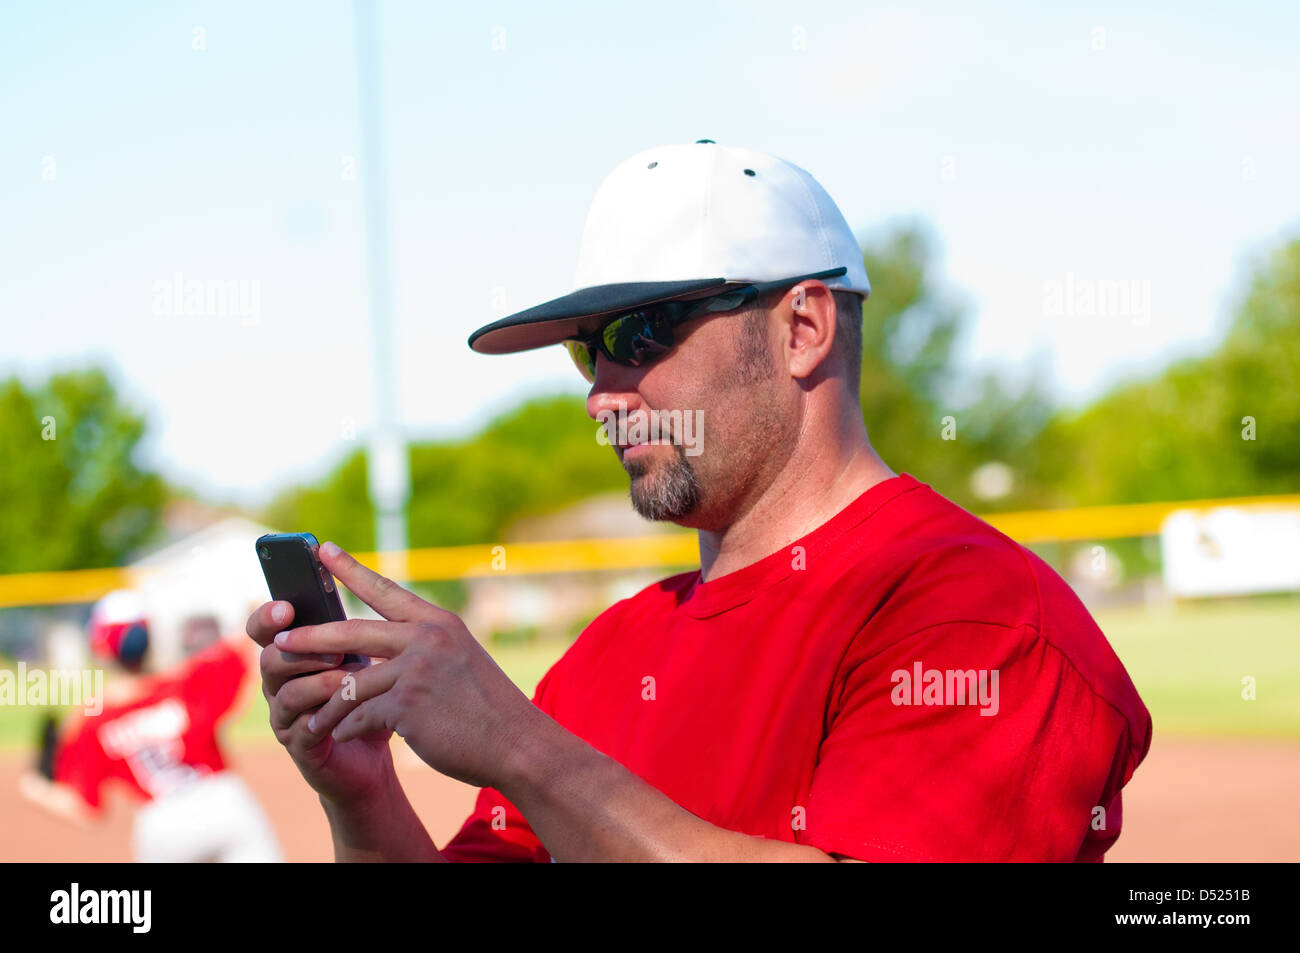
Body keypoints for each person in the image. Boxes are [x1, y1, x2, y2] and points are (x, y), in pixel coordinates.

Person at [247, 140, 1153, 862]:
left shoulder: (975, 616)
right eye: (587, 350)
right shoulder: (610, 653)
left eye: (642, 331)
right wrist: (360, 796)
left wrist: (520, 746)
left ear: (803, 327)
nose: (602, 391)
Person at [22, 590, 284, 862]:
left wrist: (37, 790)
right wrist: (253, 608)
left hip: (161, 823)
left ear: (99, 647)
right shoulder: (185, 683)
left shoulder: (91, 721)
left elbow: (86, 810)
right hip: (224, 802)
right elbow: (242, 650)